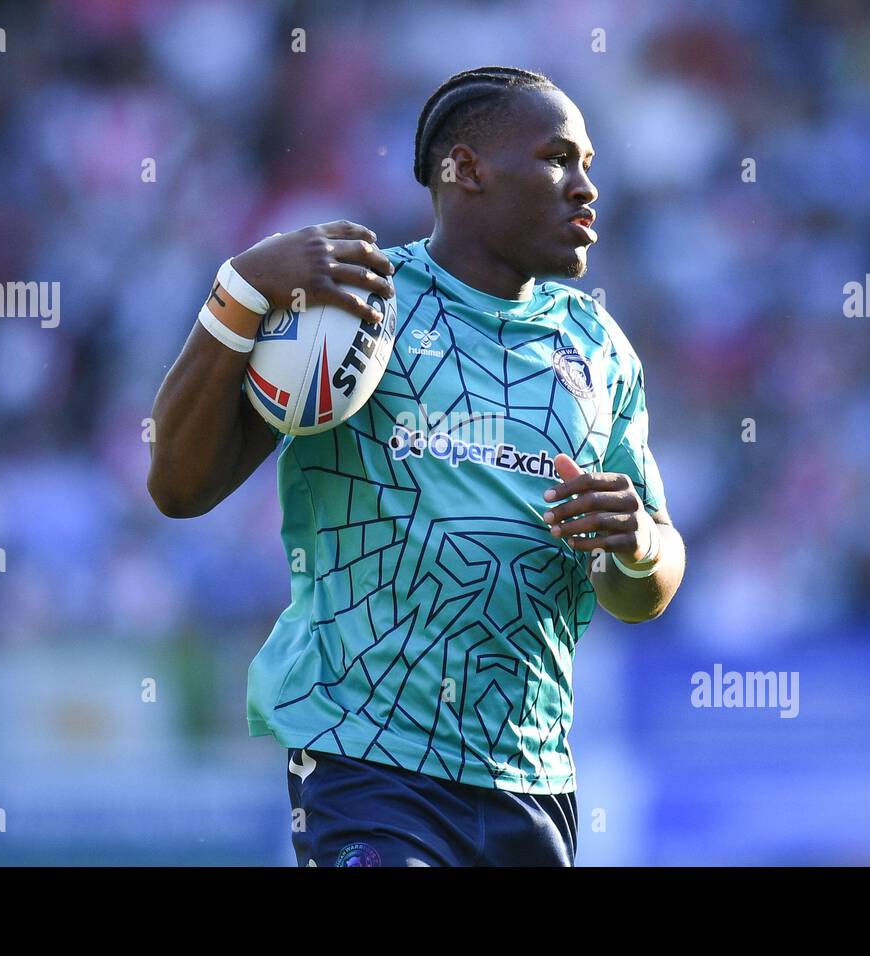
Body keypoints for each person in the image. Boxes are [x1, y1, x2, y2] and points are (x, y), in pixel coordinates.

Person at [147, 66, 686, 866]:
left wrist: (638, 543)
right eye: (558, 159)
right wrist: (241, 289)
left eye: (588, 165)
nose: (585, 188)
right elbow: (178, 487)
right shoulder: (357, 304)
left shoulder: (599, 346)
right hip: (366, 758)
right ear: (465, 170)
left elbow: (646, 592)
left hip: (530, 776)